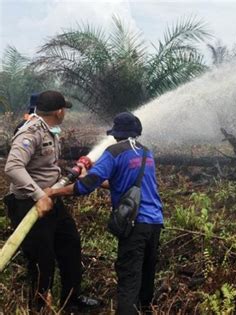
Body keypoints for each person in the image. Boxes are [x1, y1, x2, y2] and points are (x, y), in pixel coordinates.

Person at [47, 112, 164, 314]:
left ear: (117, 134)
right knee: (146, 276)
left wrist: (54, 192)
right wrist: (91, 178)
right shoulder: (146, 153)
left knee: (129, 279)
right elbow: (125, 184)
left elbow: (84, 187)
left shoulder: (114, 152)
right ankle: (146, 309)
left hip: (134, 225)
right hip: (154, 223)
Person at [3, 90, 99, 311]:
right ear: (59, 111)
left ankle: (72, 299)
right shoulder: (30, 133)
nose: (64, 112)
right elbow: (13, 167)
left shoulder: (50, 130)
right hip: (29, 204)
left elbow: (46, 167)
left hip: (51, 199)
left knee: (71, 243)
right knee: (40, 258)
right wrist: (39, 195)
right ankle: (38, 305)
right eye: (64, 109)